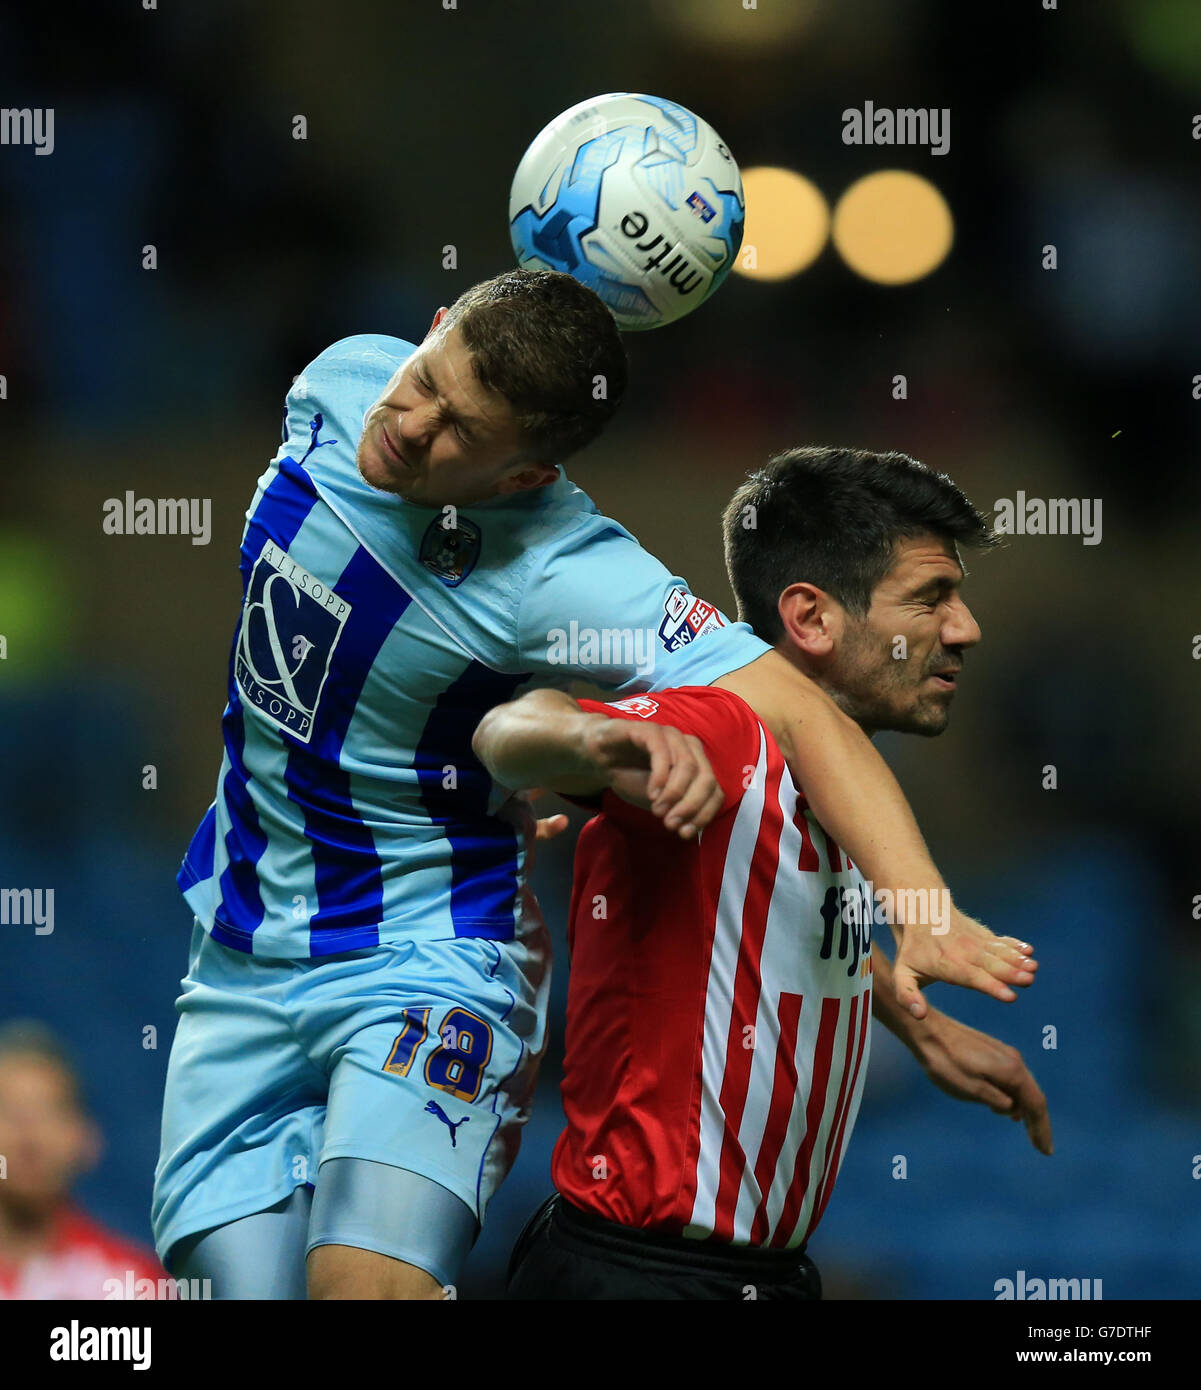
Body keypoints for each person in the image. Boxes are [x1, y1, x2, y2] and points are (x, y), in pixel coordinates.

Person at [153, 273, 1035, 1301]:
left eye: (457, 429)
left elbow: (793, 712)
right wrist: (896, 996)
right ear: (433, 329)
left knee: (364, 1288)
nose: (409, 422)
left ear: (526, 475)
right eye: (425, 377)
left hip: (428, 948)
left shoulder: (570, 569)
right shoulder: (340, 380)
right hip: (238, 949)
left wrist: (917, 907)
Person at [475, 447, 1051, 1300]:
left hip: (759, 1278)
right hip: (634, 1275)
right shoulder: (720, 725)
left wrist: (917, 1025)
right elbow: (511, 728)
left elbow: (781, 914)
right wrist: (594, 738)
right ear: (811, 618)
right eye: (930, 598)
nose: (963, 627)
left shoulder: (839, 787)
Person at [0, 1021, 165, 1300]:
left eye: (49, 1113)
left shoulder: (134, 1286)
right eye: (9, 1112)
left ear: (86, 1139)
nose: (29, 1138)